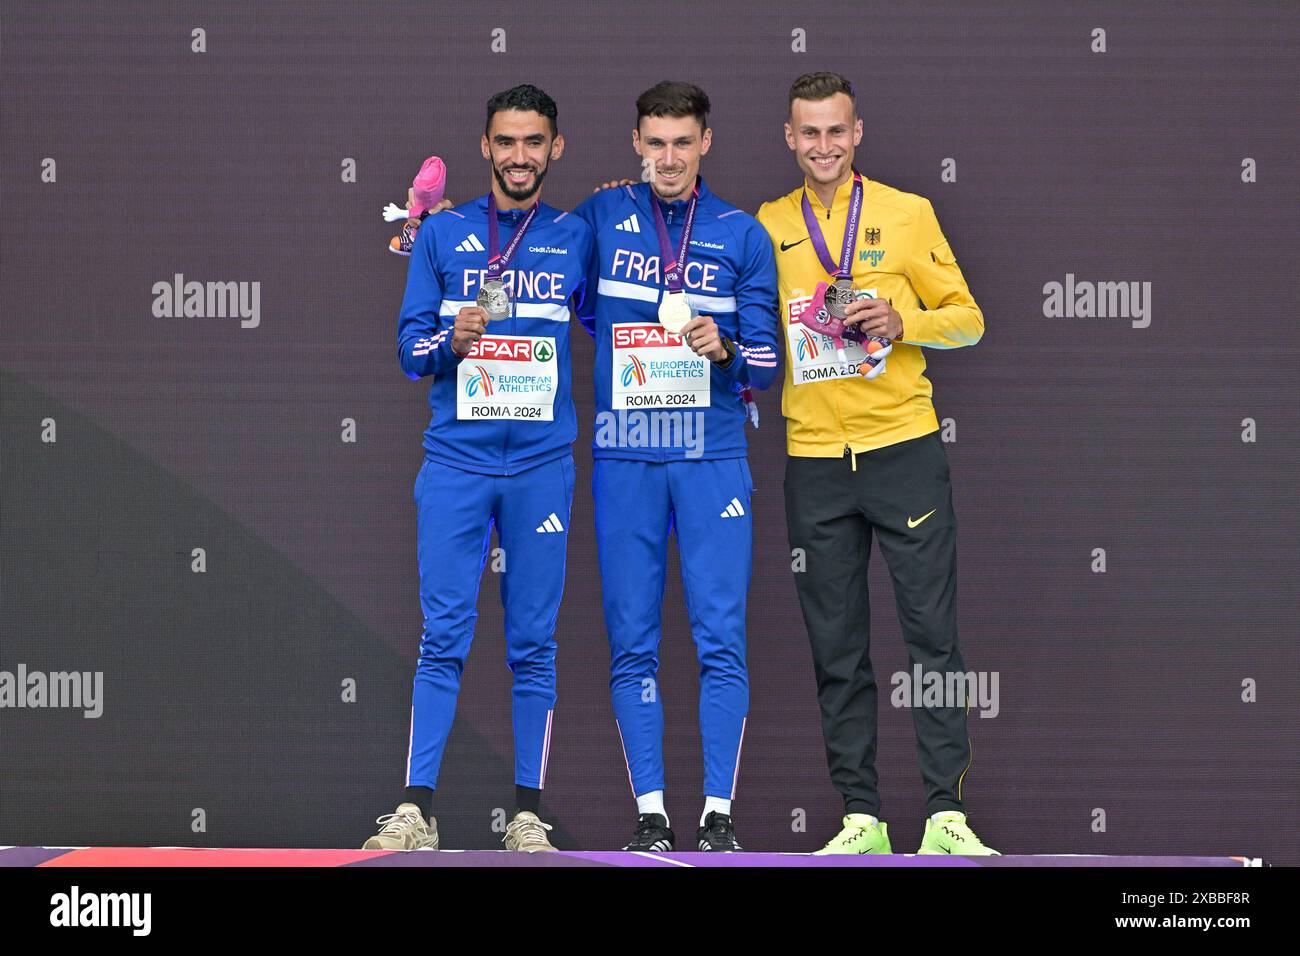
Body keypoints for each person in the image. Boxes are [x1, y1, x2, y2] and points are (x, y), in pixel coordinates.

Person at [756, 71, 998, 855]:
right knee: (838, 647)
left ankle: (946, 817)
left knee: (933, 637)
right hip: (816, 459)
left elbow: (969, 322)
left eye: (837, 131)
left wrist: (904, 320)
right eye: (809, 133)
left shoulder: (906, 212)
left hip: (903, 448)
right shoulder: (766, 225)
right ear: (789, 139)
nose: (823, 146)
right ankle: (862, 815)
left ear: (857, 134)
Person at [364, 84, 596, 853]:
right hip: (458, 461)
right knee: (443, 635)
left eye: (534, 142)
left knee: (534, 641)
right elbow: (407, 353)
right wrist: (448, 345)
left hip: (539, 466)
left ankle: (528, 815)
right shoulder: (443, 234)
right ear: (486, 147)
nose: (520, 156)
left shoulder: (576, 235)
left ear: (554, 148)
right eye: (506, 142)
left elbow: (622, 320)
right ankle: (414, 812)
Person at [574, 81, 780, 852]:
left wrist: (724, 350)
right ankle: (653, 814)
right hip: (625, 453)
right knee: (633, 640)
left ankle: (719, 816)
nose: (668, 158)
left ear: (706, 143)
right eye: (655, 143)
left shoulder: (742, 233)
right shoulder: (599, 215)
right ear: (635, 142)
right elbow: (548, 282)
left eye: (682, 143)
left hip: (711, 458)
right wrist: (420, 233)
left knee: (719, 637)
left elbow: (766, 365)